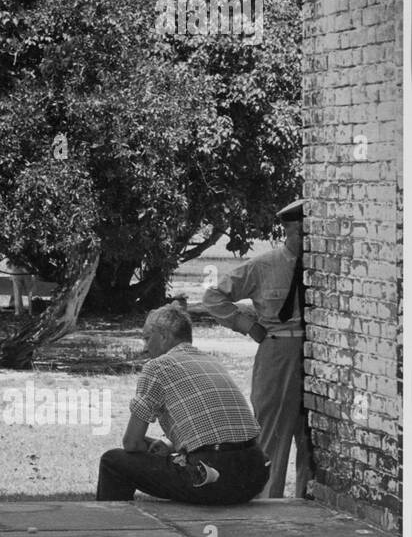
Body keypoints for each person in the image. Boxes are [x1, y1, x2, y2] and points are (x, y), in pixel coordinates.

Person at [96, 302, 269, 504]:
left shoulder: (158, 367)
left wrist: (149, 447)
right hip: (255, 472)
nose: (145, 348)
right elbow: (215, 428)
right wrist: (170, 446)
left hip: (211, 476)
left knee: (112, 462)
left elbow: (132, 443)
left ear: (164, 336)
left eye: (147, 338)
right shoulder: (211, 362)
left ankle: (112, 530)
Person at [202, 198, 310, 498]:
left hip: (315, 357)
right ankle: (266, 501)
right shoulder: (264, 266)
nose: (305, 239)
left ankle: (308, 504)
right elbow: (214, 297)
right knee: (272, 431)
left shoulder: (323, 267)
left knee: (312, 437)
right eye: (300, 233)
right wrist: (246, 324)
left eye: (310, 233)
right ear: (286, 232)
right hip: (277, 352)